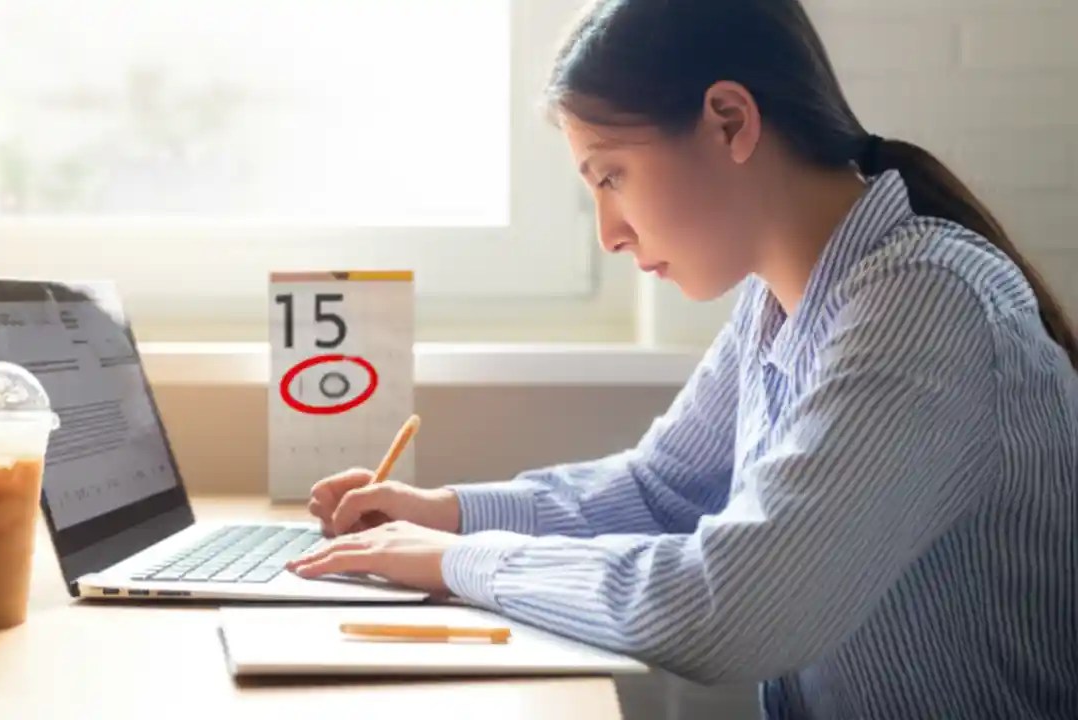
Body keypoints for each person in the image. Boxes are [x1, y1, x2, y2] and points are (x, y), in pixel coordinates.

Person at [286, 1, 1078, 717]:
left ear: (730, 121)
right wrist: (447, 512)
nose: (609, 232)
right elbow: (664, 490)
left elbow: (734, 610)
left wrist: (461, 560)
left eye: (612, 176)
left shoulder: (924, 305)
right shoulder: (783, 301)